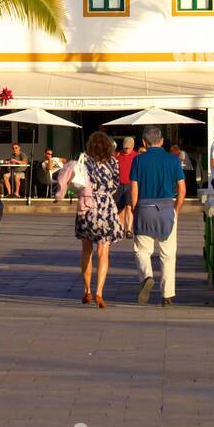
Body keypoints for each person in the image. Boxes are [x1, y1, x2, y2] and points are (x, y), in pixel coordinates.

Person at [130, 126, 185, 307]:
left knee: (142, 250)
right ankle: (167, 295)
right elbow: (182, 189)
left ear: (144, 142)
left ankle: (147, 276)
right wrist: (176, 208)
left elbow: (134, 188)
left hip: (144, 208)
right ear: (162, 141)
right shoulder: (173, 160)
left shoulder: (138, 160)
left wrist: (133, 207)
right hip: (167, 208)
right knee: (168, 255)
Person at [74, 131, 122, 308]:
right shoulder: (114, 162)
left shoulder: (85, 161)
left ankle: (86, 290)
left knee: (86, 250)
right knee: (103, 252)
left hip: (86, 205)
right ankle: (99, 292)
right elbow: (116, 185)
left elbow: (78, 183)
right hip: (106, 207)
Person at [116, 135, 138, 237]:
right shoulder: (118, 156)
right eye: (125, 147)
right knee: (119, 208)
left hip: (131, 185)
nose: (126, 149)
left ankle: (128, 230)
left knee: (129, 207)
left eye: (128, 148)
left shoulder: (137, 156)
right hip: (119, 185)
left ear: (132, 147)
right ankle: (120, 229)